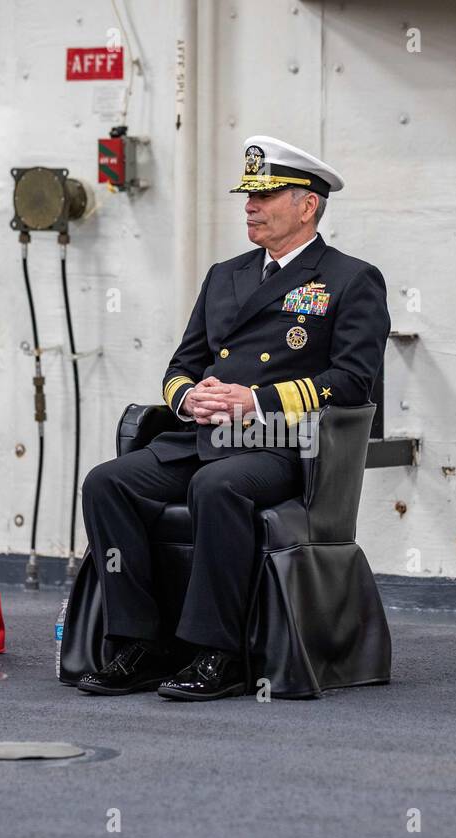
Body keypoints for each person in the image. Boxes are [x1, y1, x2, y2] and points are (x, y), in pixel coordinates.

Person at [78, 135, 391, 701]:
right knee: (107, 483)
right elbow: (181, 365)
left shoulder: (349, 278)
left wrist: (258, 401)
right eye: (247, 194)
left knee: (217, 485)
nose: (250, 205)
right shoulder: (225, 275)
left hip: (283, 445)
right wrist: (187, 398)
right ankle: (138, 642)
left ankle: (216, 653)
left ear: (308, 204)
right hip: (203, 433)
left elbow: (351, 381)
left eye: (266, 195)